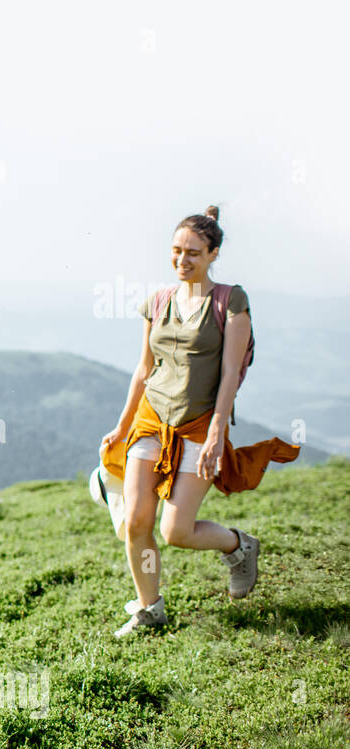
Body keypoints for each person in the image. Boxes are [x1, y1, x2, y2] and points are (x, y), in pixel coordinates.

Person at [99, 206, 300, 637]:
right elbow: (143, 368)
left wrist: (215, 435)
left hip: (198, 425)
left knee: (176, 530)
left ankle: (239, 546)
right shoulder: (157, 301)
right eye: (176, 251)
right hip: (152, 419)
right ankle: (149, 608)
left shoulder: (231, 302)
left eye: (193, 252)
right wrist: (123, 422)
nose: (182, 260)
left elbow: (229, 375)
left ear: (213, 254)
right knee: (136, 521)